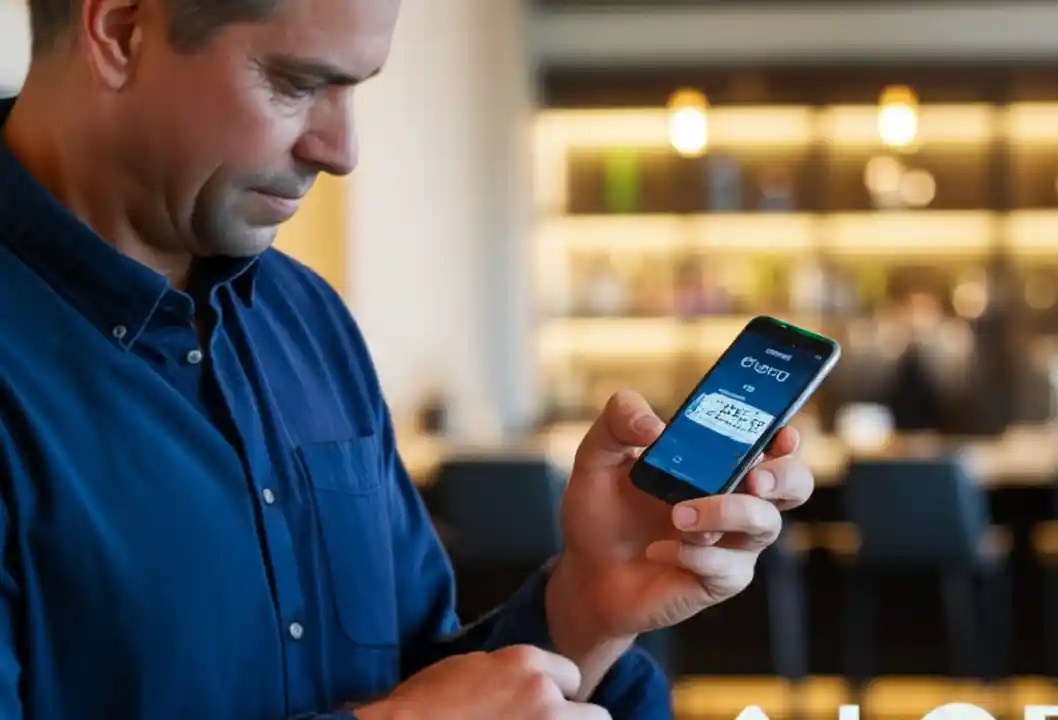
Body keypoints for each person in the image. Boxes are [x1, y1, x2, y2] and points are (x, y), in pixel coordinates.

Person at [0, 1, 817, 718]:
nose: (342, 149)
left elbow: (419, 680)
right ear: (120, 29)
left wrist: (588, 607)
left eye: (357, 86)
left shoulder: (306, 320)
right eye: (295, 82)